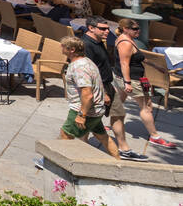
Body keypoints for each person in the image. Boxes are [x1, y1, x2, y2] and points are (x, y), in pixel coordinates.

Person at [83, 20, 145, 160]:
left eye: (107, 28)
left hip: (108, 85)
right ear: (91, 28)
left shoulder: (98, 42)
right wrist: (103, 92)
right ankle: (79, 147)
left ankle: (124, 149)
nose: (107, 31)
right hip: (98, 88)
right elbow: (89, 72)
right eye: (103, 29)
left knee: (118, 114)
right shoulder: (86, 45)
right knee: (86, 120)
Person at [116, 18, 176, 149]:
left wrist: (156, 66)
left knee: (118, 102)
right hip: (132, 79)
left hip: (130, 78)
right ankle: (155, 136)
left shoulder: (129, 40)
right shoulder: (125, 43)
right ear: (126, 29)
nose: (139, 31)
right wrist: (127, 82)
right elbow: (124, 63)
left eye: (139, 28)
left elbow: (138, 57)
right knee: (146, 107)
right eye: (135, 29)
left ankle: (101, 121)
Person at [59, 36, 119, 158]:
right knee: (103, 137)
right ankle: (119, 163)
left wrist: (82, 115)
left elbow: (87, 93)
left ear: (72, 50)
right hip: (96, 109)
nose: (61, 48)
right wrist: (104, 95)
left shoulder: (79, 67)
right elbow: (96, 82)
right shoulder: (87, 61)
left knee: (66, 134)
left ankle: (61, 163)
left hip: (85, 110)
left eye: (63, 46)